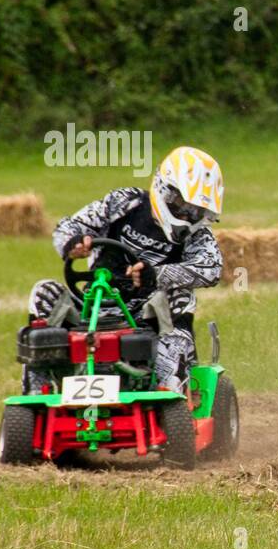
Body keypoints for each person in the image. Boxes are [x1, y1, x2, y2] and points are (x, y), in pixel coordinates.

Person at [25, 146, 225, 395]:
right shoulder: (125, 202)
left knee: (181, 296)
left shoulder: (197, 235)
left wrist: (158, 276)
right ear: (165, 190)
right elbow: (69, 225)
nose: (188, 215)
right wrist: (74, 241)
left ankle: (171, 389)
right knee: (43, 292)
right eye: (183, 205)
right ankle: (37, 389)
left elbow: (212, 267)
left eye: (197, 211)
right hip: (90, 309)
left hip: (145, 315)